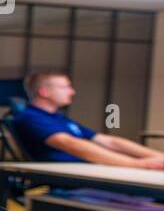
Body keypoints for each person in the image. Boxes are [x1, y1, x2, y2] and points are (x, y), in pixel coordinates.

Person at [12, 71, 164, 168]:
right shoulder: (30, 118)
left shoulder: (59, 119)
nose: (72, 92)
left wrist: (157, 157)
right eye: (65, 87)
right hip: (70, 173)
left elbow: (108, 141)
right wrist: (136, 164)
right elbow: (71, 144)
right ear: (44, 92)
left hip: (87, 168)